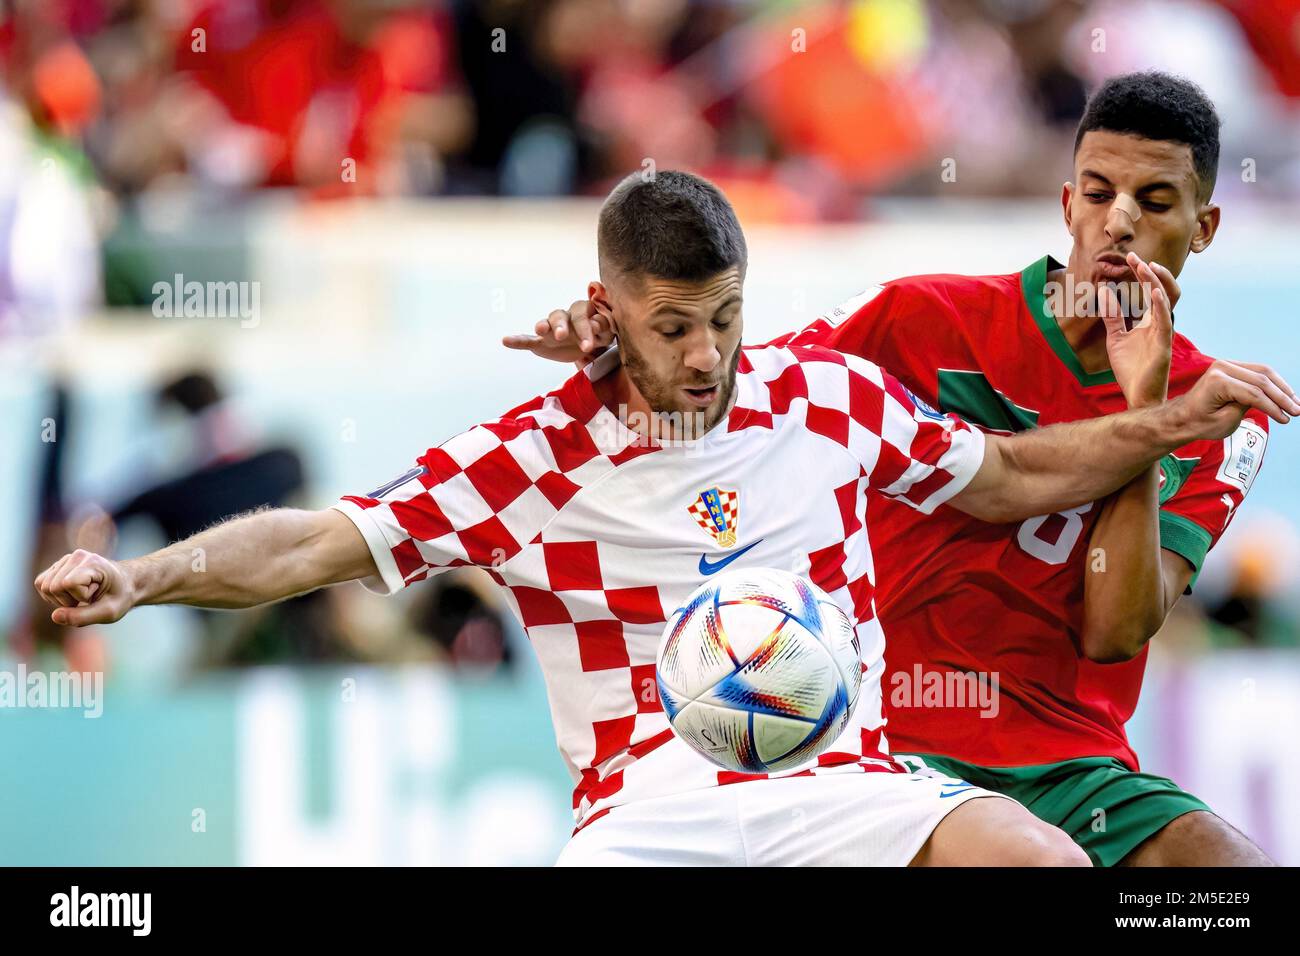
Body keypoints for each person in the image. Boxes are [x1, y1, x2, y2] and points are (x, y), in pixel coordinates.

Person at [35, 171, 1294, 866]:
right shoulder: (530, 457)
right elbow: (311, 542)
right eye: (673, 325)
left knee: (1041, 865)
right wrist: (143, 577)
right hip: (648, 816)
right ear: (609, 307)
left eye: (725, 316)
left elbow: (1012, 474)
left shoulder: (825, 396)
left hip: (840, 788)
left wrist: (1162, 420)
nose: (706, 355)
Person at [505, 73, 1293, 865]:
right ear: (1066, 205)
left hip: (1068, 764)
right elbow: (736, 398)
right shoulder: (919, 319)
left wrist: (1143, 408)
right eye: (1098, 193)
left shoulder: (1216, 411)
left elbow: (1114, 632)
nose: (1118, 223)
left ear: (1204, 226)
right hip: (879, 743)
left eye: (1154, 202)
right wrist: (621, 347)